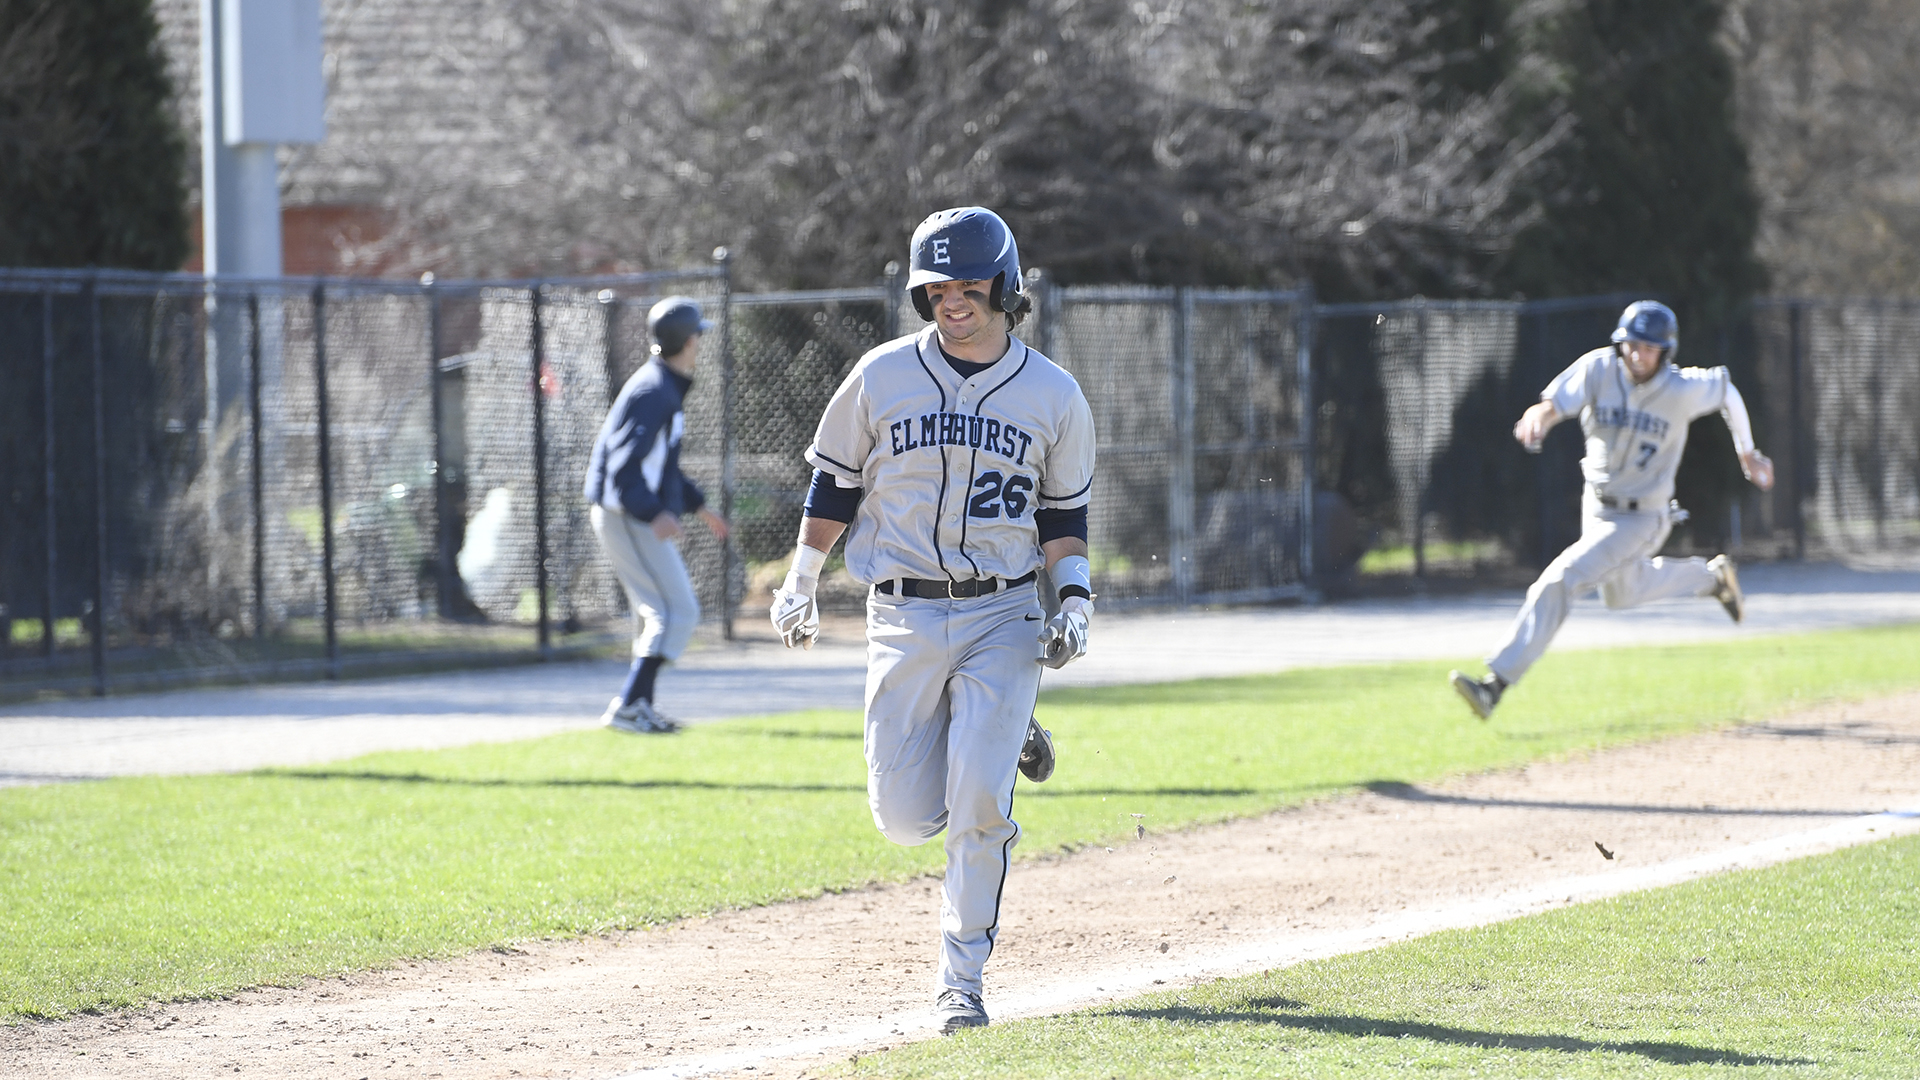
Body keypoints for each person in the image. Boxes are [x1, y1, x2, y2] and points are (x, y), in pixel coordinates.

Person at [768, 207, 1096, 1034]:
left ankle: (962, 984)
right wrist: (801, 577)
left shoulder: (1054, 394)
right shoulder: (881, 376)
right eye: (937, 287)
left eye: (970, 285)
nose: (954, 301)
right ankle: (1001, 731)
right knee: (905, 818)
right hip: (902, 617)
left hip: (1003, 612)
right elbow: (835, 484)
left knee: (979, 803)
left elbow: (1063, 516)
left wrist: (1079, 600)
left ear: (1006, 286)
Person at [1450, 300, 1774, 719]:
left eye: (1650, 347)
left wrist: (1747, 453)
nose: (1638, 355)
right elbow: (1554, 403)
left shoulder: (1680, 388)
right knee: (1622, 594)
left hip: (1644, 516)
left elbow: (1727, 390)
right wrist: (1540, 417)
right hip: (1598, 507)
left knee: (1561, 579)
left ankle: (1495, 685)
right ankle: (1710, 579)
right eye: (1632, 345)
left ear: (1666, 351)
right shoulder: (1598, 370)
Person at [584, 296, 730, 733]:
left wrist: (697, 504)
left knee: (656, 614)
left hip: (630, 513)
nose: (700, 343)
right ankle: (629, 706)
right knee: (678, 611)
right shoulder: (654, 391)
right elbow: (624, 465)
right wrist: (653, 513)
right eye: (698, 336)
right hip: (627, 515)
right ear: (688, 340)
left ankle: (639, 706)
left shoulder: (660, 384)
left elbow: (659, 466)